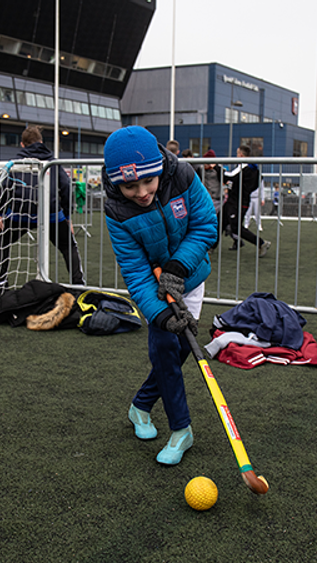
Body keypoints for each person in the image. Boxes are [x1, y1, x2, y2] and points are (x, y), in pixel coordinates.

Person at [101, 126, 217, 466]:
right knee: (165, 352)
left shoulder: (181, 174)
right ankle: (182, 430)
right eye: (130, 186)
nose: (141, 193)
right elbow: (135, 270)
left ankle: (140, 406)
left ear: (159, 169)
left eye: (147, 182)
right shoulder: (116, 210)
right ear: (115, 183)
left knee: (180, 352)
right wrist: (160, 314)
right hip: (153, 288)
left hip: (190, 277)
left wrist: (178, 269)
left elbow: (205, 224)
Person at [0, 126, 84, 290]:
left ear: (22, 144)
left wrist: (0, 215)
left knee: (2, 240)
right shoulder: (53, 163)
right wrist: (68, 217)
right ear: (42, 142)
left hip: (20, 213)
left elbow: (3, 188)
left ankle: (1, 281)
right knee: (68, 246)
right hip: (51, 213)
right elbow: (66, 187)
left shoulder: (14, 163)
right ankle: (78, 284)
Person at [222, 145, 271, 256]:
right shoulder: (250, 168)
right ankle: (209, 247)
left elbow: (229, 176)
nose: (236, 156)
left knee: (236, 227)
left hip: (239, 202)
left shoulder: (246, 168)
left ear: (241, 155)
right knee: (220, 221)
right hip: (235, 200)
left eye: (237, 154)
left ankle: (261, 243)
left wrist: (217, 168)